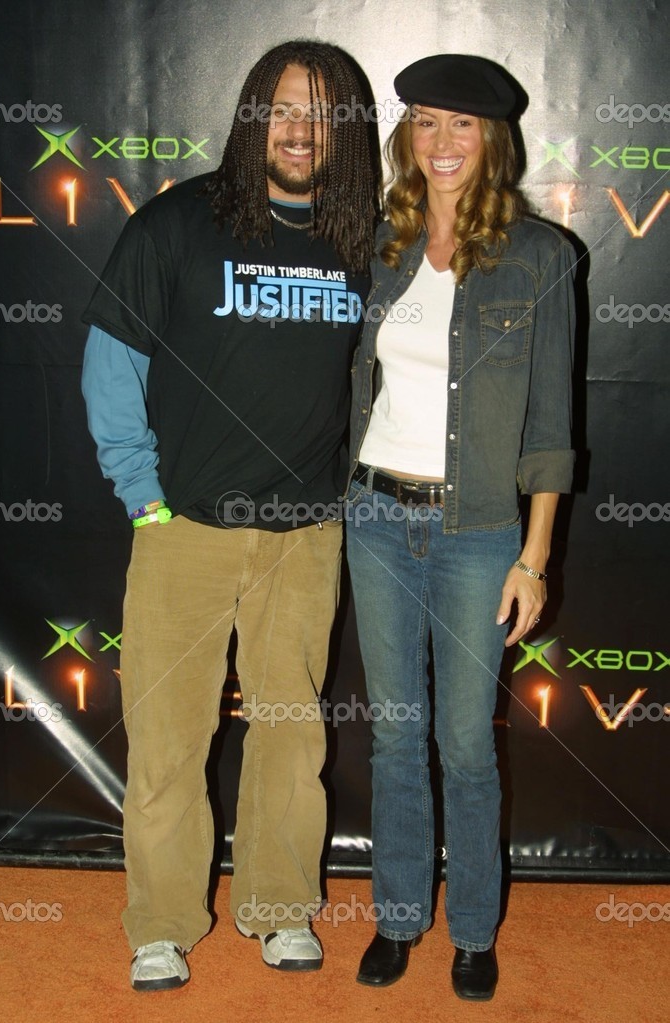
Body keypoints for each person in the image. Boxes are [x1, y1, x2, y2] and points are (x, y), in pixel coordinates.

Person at [81, 39, 379, 991]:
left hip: (306, 537)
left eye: (321, 114)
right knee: (169, 737)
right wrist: (144, 497)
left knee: (292, 737)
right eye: (283, 108)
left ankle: (281, 906)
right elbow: (111, 362)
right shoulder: (178, 222)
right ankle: (161, 923)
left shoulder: (360, 239)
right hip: (187, 532)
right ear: (253, 115)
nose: (300, 129)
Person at [345, 54, 575, 1001]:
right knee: (395, 737)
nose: (442, 142)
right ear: (408, 135)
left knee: (467, 745)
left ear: (494, 139)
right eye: (426, 122)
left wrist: (535, 558)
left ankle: (474, 930)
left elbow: (552, 427)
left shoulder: (542, 256)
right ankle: (399, 917)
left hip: (481, 533)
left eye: (462, 125)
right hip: (373, 518)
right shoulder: (380, 243)